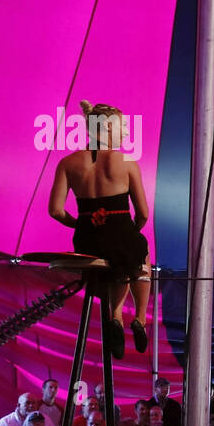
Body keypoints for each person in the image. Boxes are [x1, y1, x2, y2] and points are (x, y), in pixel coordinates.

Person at [47, 100, 151, 358]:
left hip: (86, 238)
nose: (126, 132)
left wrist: (79, 223)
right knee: (138, 252)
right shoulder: (126, 160)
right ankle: (138, 318)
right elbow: (144, 214)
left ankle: (114, 315)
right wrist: (132, 230)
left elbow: (55, 210)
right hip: (121, 235)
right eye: (122, 126)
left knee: (122, 255)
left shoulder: (67, 163)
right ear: (105, 127)